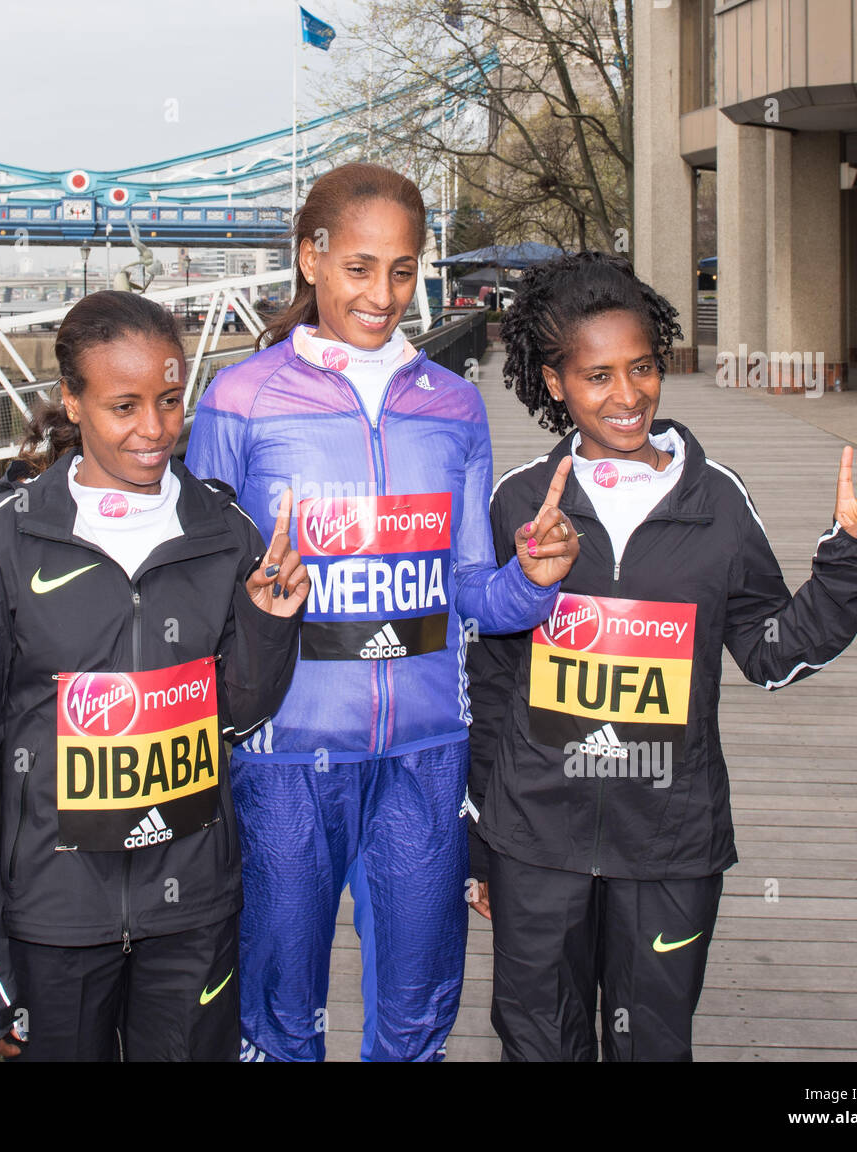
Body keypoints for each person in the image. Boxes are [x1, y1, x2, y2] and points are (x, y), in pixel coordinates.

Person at [185, 161, 573, 1061]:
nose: (383, 293)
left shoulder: (454, 404)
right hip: (284, 758)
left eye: (403, 270)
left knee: (417, 1017)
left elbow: (476, 594)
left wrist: (536, 577)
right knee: (279, 1015)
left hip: (424, 757)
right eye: (359, 267)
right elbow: (203, 595)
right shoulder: (239, 402)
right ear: (310, 259)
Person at [466, 251, 857, 1061]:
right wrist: (482, 839)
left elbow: (773, 652)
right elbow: (488, 681)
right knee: (535, 1040)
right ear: (556, 385)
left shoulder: (719, 500)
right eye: (597, 377)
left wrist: (847, 559)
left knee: (653, 1043)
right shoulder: (521, 501)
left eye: (643, 368)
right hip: (534, 842)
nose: (627, 396)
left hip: (669, 844)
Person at [0, 290, 308, 1062]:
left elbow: (236, 715)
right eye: (123, 405)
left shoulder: (224, 532)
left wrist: (271, 625)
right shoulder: (3, 547)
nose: (155, 430)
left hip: (192, 909)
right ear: (72, 401)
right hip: (54, 918)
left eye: (170, 400)